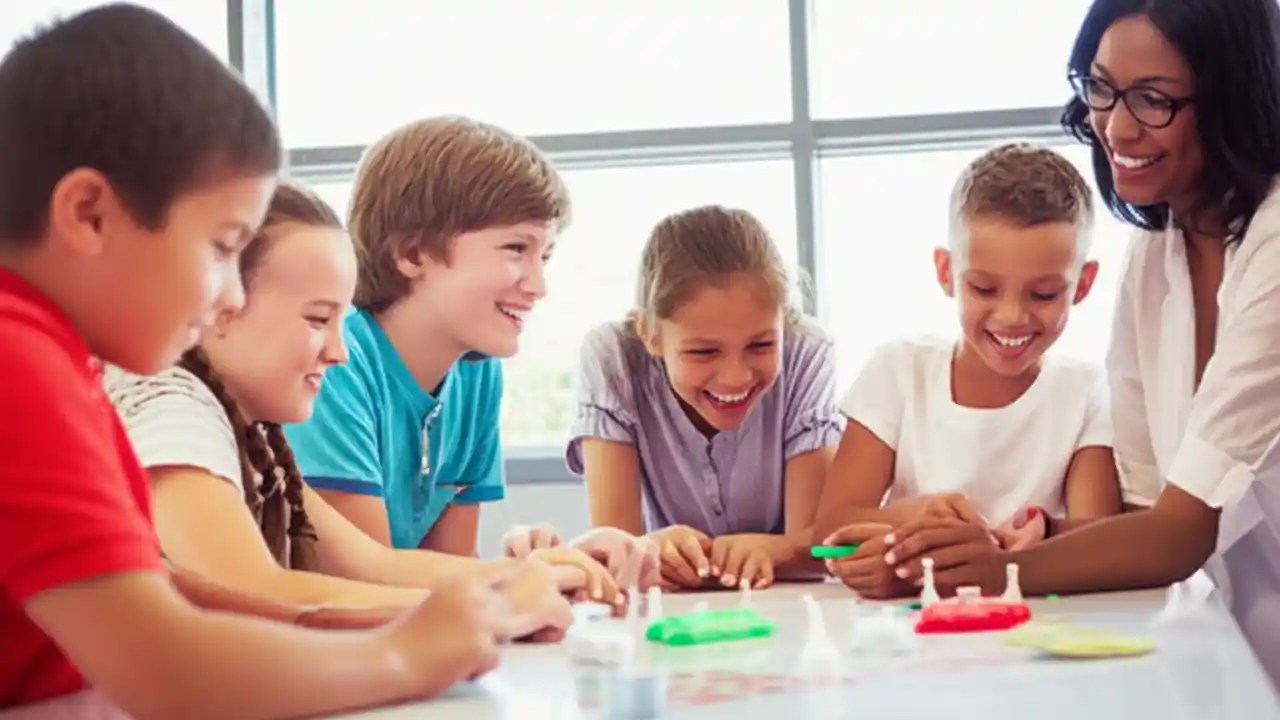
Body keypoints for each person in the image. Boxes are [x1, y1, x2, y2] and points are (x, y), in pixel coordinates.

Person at [0, 5, 570, 717]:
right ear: (89, 215)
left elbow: (177, 596)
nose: (229, 296)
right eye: (222, 248)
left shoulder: (60, 368)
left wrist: (433, 617)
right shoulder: (19, 367)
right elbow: (164, 667)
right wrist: (403, 655)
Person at [870, 0, 1280, 689]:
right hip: (1241, 632)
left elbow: (1182, 534)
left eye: (1153, 100)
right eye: (1100, 89)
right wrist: (1014, 541)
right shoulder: (1157, 250)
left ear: (1233, 97)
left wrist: (1000, 570)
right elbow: (1146, 509)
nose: (1116, 126)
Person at [105, 180, 625, 611]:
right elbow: (251, 591)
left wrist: (525, 577)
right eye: (317, 319)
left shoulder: (251, 432)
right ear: (221, 306)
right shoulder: (169, 406)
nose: (340, 352)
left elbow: (373, 566)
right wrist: (499, 602)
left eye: (340, 321)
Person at [814, 143, 1123, 598]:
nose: (1012, 316)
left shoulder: (1088, 393)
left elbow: (1094, 540)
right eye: (983, 288)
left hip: (1032, 627)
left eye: (1043, 295)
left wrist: (1030, 540)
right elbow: (832, 524)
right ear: (946, 271)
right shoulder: (898, 371)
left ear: (1084, 283)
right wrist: (918, 520)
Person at [285, 117, 563, 556]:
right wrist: (517, 582)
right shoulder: (334, 363)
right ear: (413, 254)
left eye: (544, 255)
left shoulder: (477, 372)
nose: (538, 286)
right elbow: (371, 583)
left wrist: (545, 569)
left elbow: (447, 569)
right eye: (516, 249)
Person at [566, 205, 843, 590]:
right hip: (676, 607)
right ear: (650, 335)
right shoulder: (612, 356)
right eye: (703, 353)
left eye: (761, 345)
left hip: (784, 599)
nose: (736, 377)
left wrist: (774, 551)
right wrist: (650, 548)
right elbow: (619, 555)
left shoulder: (807, 349)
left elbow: (817, 551)